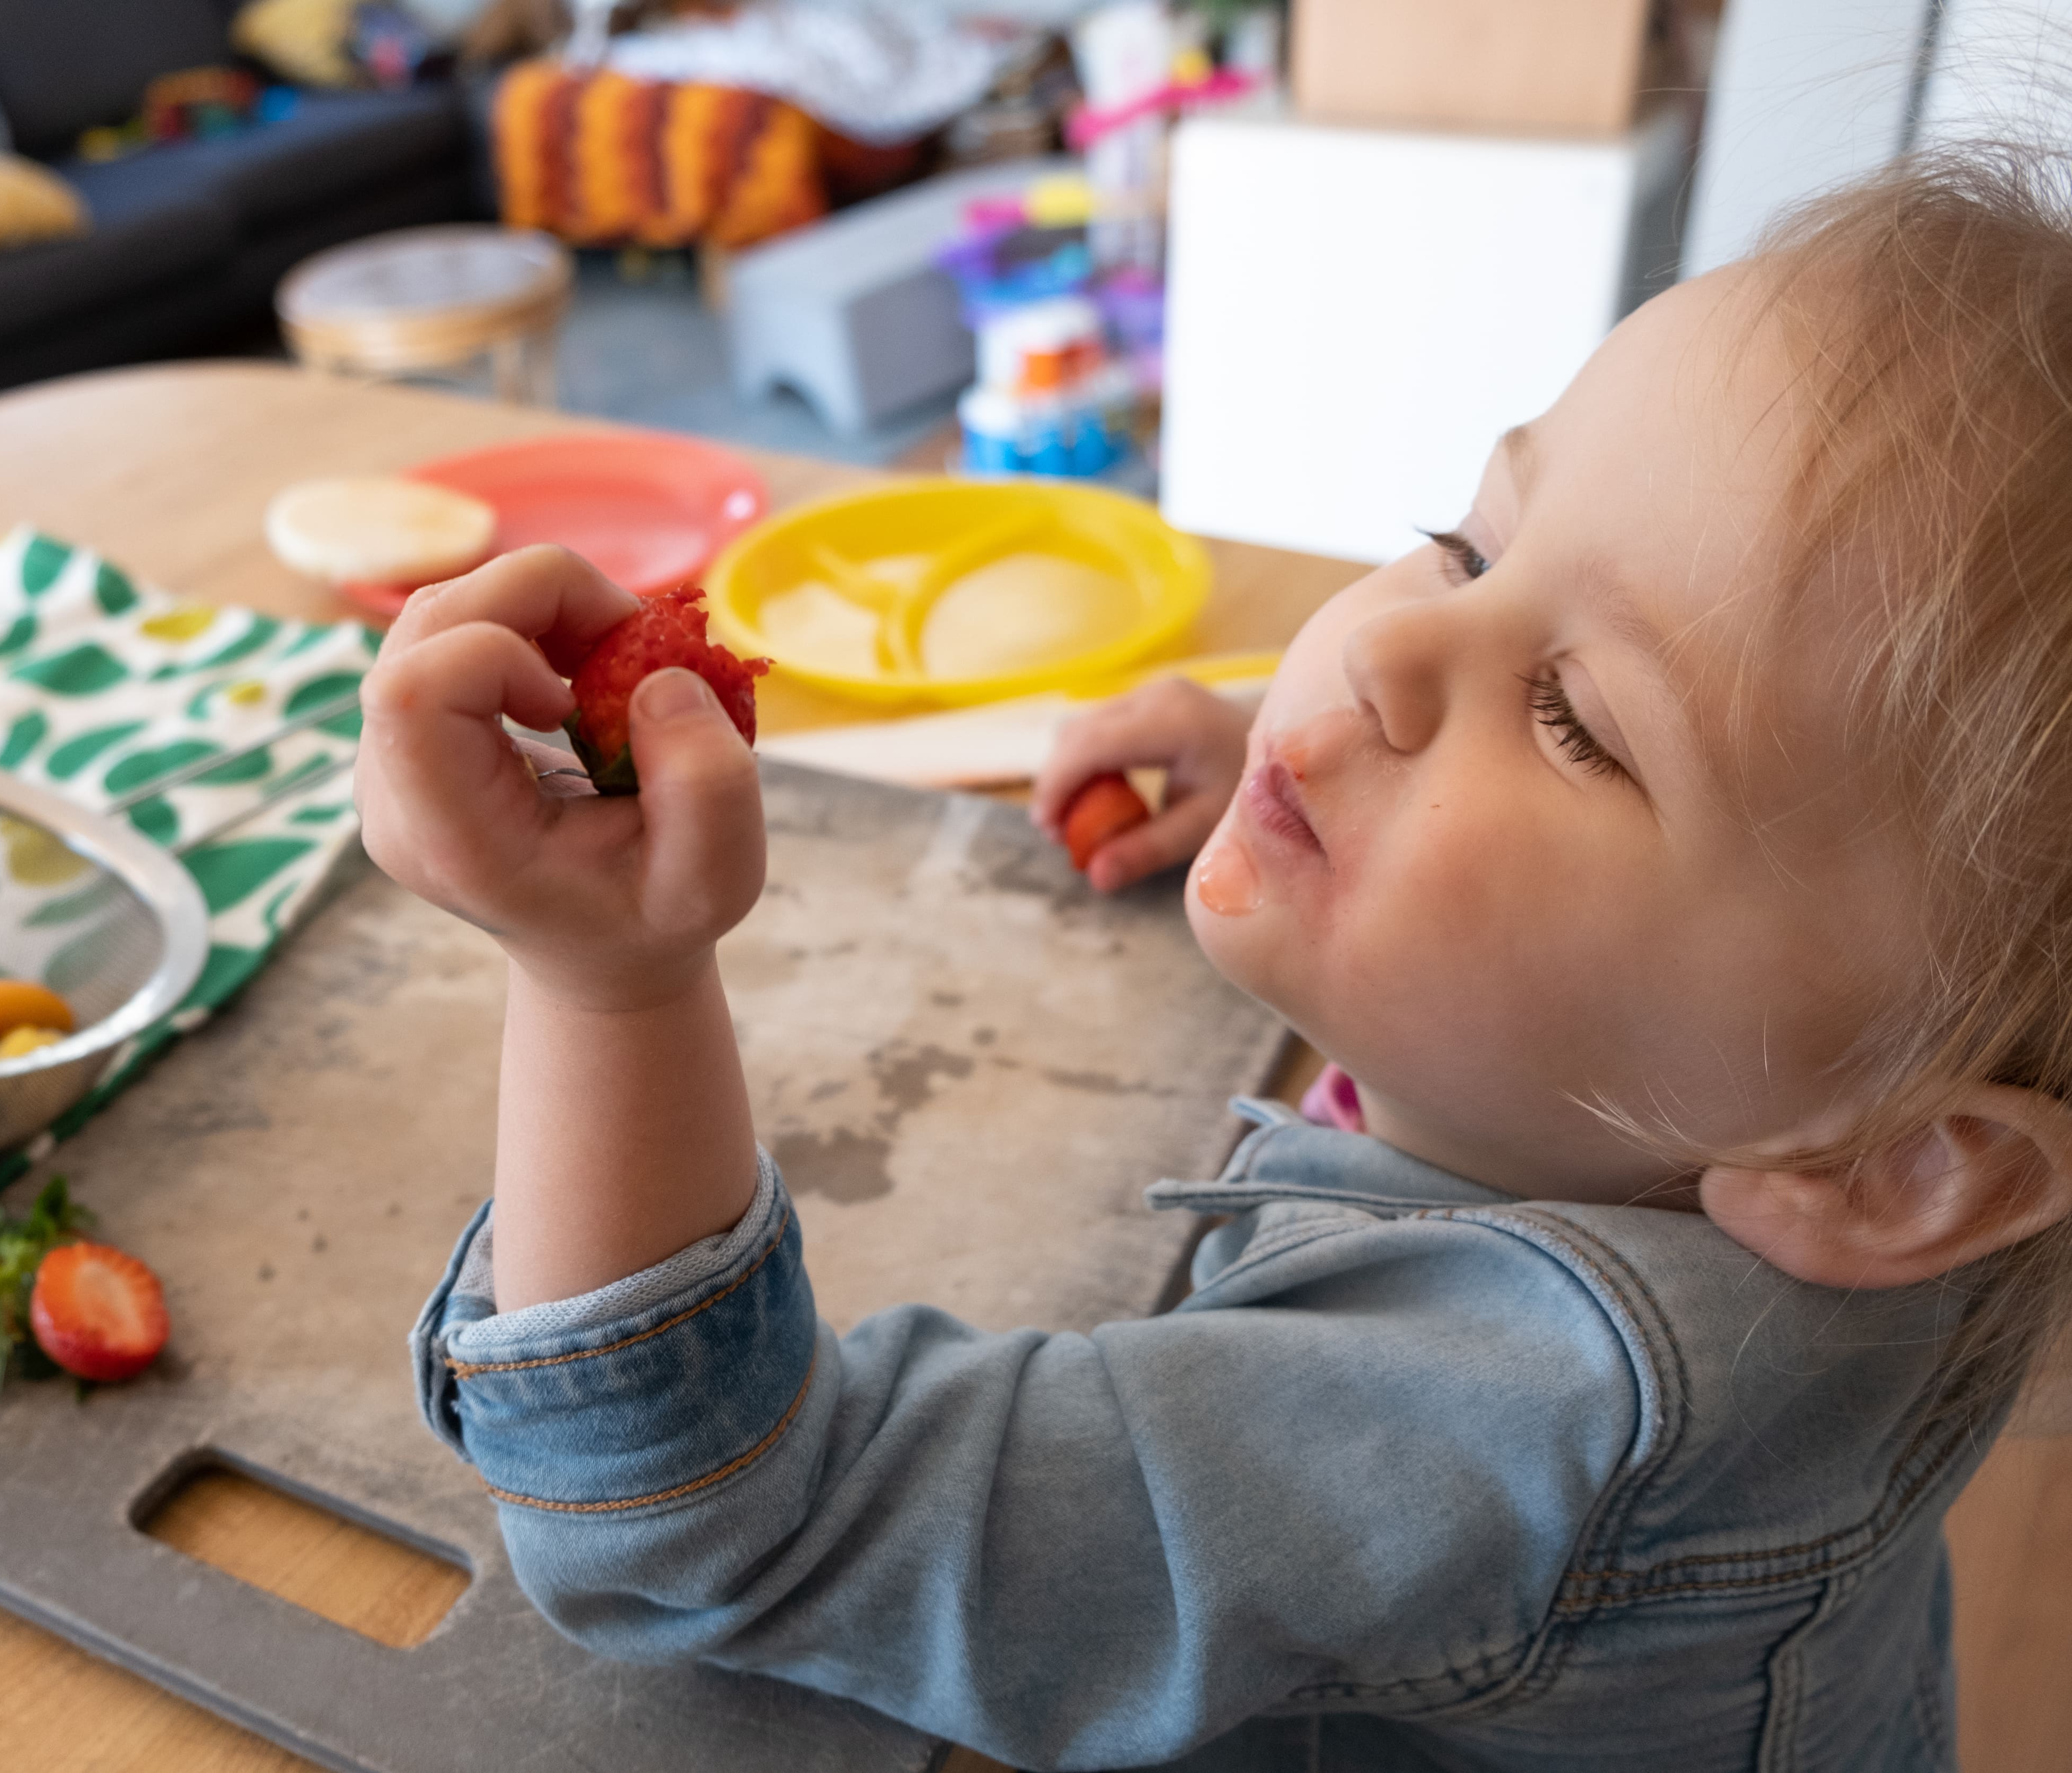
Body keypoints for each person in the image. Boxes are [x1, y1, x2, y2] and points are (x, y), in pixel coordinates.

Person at [352, 151, 2072, 1769]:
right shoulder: (1779, 1091)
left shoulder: (1508, 1429)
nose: (1385, 633)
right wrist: (1270, 749)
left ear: (1899, 1165)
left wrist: (611, 984)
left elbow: (722, 1531)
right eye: (1471, 542)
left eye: (1576, 723)